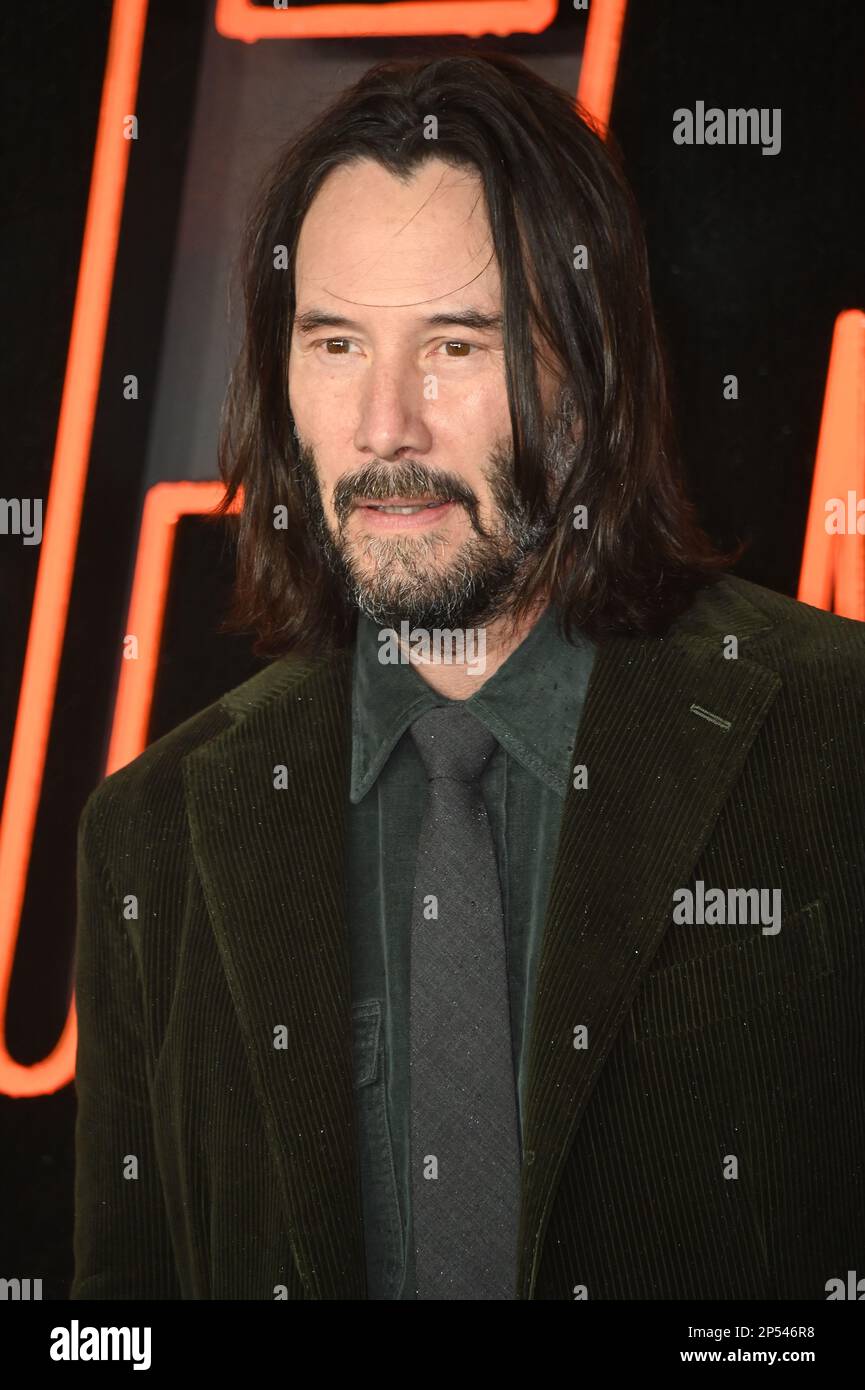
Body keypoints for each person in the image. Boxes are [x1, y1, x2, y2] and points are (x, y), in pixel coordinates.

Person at [71, 52, 865, 1301]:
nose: (386, 424)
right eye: (335, 342)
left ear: (585, 367)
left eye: (454, 343)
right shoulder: (151, 835)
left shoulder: (834, 736)